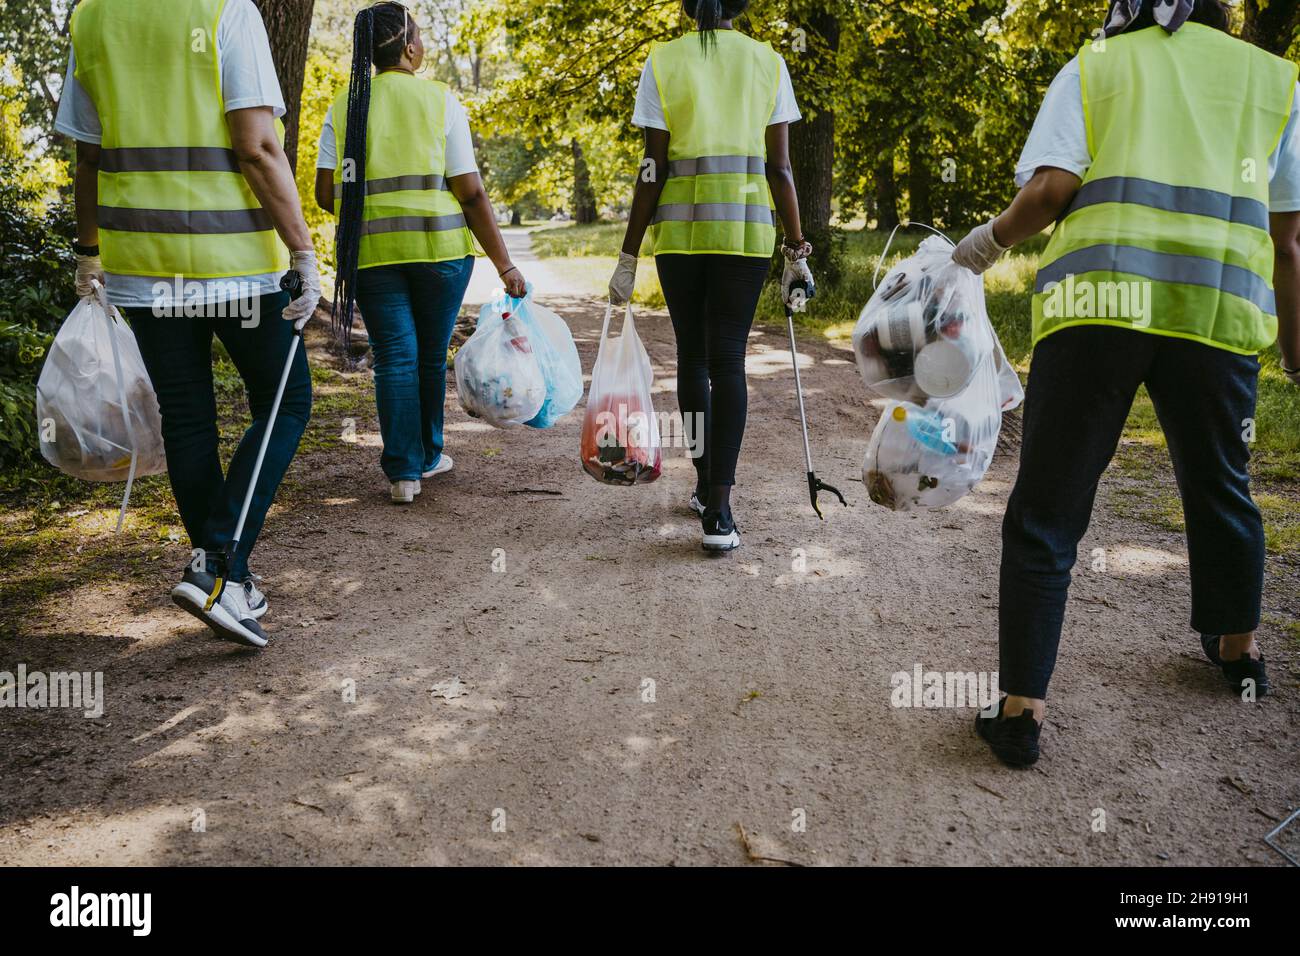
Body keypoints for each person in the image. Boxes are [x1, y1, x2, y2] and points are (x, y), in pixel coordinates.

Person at [951, 0, 1300, 767]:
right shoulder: (1275, 80)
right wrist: (1296, 355)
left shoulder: (1096, 65)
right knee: (1220, 484)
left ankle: (1020, 711)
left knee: (1049, 503)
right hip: (1212, 314)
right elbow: (1289, 238)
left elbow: (1049, 191)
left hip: (1096, 310)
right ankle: (1239, 654)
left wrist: (982, 246)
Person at [57, 0, 322, 649]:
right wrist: (305, 250)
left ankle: (222, 574)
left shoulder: (93, 18)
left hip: (142, 269)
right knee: (287, 403)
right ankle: (221, 568)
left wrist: (88, 253)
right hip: (231, 265)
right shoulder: (228, 10)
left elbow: (86, 157)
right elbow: (258, 146)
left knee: (189, 419)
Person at [609, 0, 813, 553]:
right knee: (728, 361)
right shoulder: (768, 62)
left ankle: (705, 485)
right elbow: (780, 169)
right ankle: (718, 509)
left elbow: (652, 167)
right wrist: (797, 251)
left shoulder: (663, 61)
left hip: (680, 237)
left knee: (693, 359)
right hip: (744, 237)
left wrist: (628, 255)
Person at [315, 2, 526, 504]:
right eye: (421, 35)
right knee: (429, 356)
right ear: (409, 47)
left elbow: (327, 194)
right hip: (440, 253)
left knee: (394, 358)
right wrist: (505, 264)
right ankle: (429, 456)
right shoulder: (439, 100)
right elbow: (470, 192)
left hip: (371, 255)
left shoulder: (345, 104)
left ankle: (403, 473)